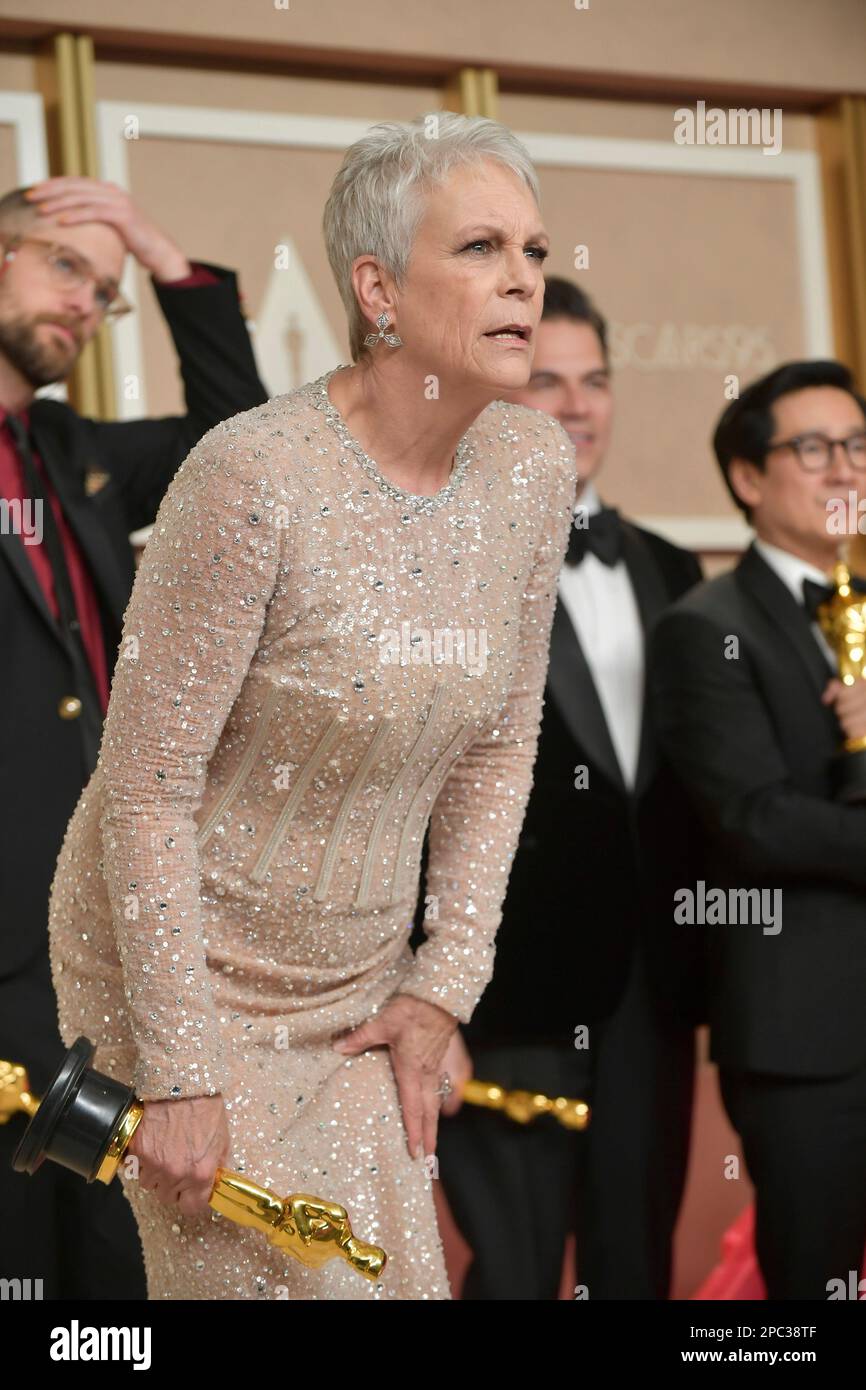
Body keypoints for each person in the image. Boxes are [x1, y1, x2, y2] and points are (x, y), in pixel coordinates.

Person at [45, 112, 578, 1300]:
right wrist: (180, 1069)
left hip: (355, 987)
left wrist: (443, 984)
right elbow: (143, 788)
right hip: (185, 975)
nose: (523, 283)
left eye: (535, 253)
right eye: (482, 248)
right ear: (376, 287)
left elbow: (500, 745)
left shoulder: (532, 466)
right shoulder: (249, 477)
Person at [0, 175, 267, 1298]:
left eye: (104, 293)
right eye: (66, 267)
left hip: (95, 932)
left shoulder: (75, 454)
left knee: (112, 1273)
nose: (86, 304)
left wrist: (168, 263)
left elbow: (238, 439)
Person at [423, 277, 704, 1299]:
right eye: (546, 379)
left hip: (655, 996)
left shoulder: (676, 570)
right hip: (502, 994)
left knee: (637, 1268)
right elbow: (395, 800)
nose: (578, 405)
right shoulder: (429, 566)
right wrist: (425, 993)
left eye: (594, 381)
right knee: (513, 1274)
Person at [648, 360, 866, 1299]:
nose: (844, 471)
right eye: (813, 449)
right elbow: (755, 827)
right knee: (810, 1292)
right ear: (748, 478)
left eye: (858, 447)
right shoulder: (706, 626)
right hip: (804, 1032)